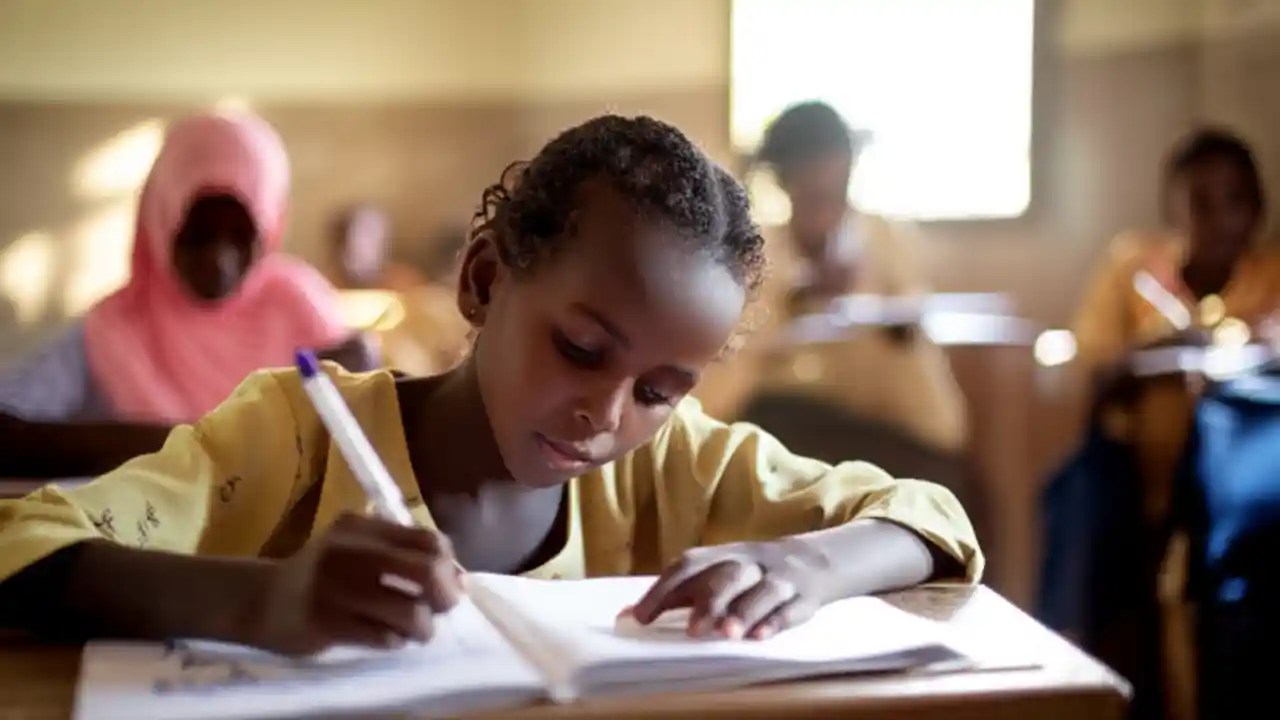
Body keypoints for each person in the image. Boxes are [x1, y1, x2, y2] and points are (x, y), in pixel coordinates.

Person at [0, 115, 981, 655]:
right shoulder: (294, 438)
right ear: (481, 282)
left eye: (661, 388)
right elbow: (24, 542)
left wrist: (805, 567)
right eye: (582, 349)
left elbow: (925, 515)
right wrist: (264, 603)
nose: (607, 416)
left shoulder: (665, 465)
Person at [0, 112, 374, 478]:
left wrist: (369, 387)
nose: (218, 257)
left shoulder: (301, 307)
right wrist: (198, 445)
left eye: (240, 234)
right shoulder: (113, 330)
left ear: (269, 227)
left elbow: (369, 437)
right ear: (162, 220)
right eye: (198, 232)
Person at [1066, 127, 1280, 720]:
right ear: (1173, 206)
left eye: (1235, 200)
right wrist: (1155, 350)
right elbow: (1091, 371)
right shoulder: (1133, 269)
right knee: (1106, 538)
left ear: (1258, 207)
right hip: (1138, 473)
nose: (1219, 219)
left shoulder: (1273, 279)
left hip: (1241, 489)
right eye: (1200, 201)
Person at [695, 101, 967, 466]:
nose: (822, 206)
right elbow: (725, 381)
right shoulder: (757, 258)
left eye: (832, 190)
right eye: (809, 193)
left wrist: (863, 300)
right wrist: (790, 303)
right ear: (784, 182)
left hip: (888, 430)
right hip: (788, 432)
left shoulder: (886, 243)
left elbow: (916, 353)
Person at [327, 207, 472, 377]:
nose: (358, 246)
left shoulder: (406, 287)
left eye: (368, 237)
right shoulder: (322, 294)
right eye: (348, 238)